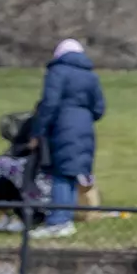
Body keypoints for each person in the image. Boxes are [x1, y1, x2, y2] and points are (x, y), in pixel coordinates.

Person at [31, 39, 105, 238]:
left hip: (63, 126)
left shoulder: (57, 71)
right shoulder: (91, 76)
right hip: (84, 126)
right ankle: (65, 217)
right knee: (72, 173)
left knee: (60, 174)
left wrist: (38, 131)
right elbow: (99, 109)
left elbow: (50, 103)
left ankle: (58, 221)